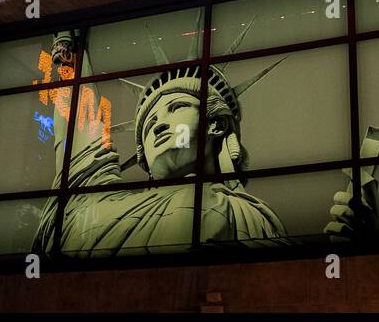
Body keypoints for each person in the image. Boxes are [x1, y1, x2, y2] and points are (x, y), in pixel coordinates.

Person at [32, 60, 288, 257]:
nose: (158, 126)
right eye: (149, 124)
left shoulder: (248, 216)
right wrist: (70, 59)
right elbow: (79, 138)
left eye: (177, 108)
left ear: (217, 124)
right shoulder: (96, 212)